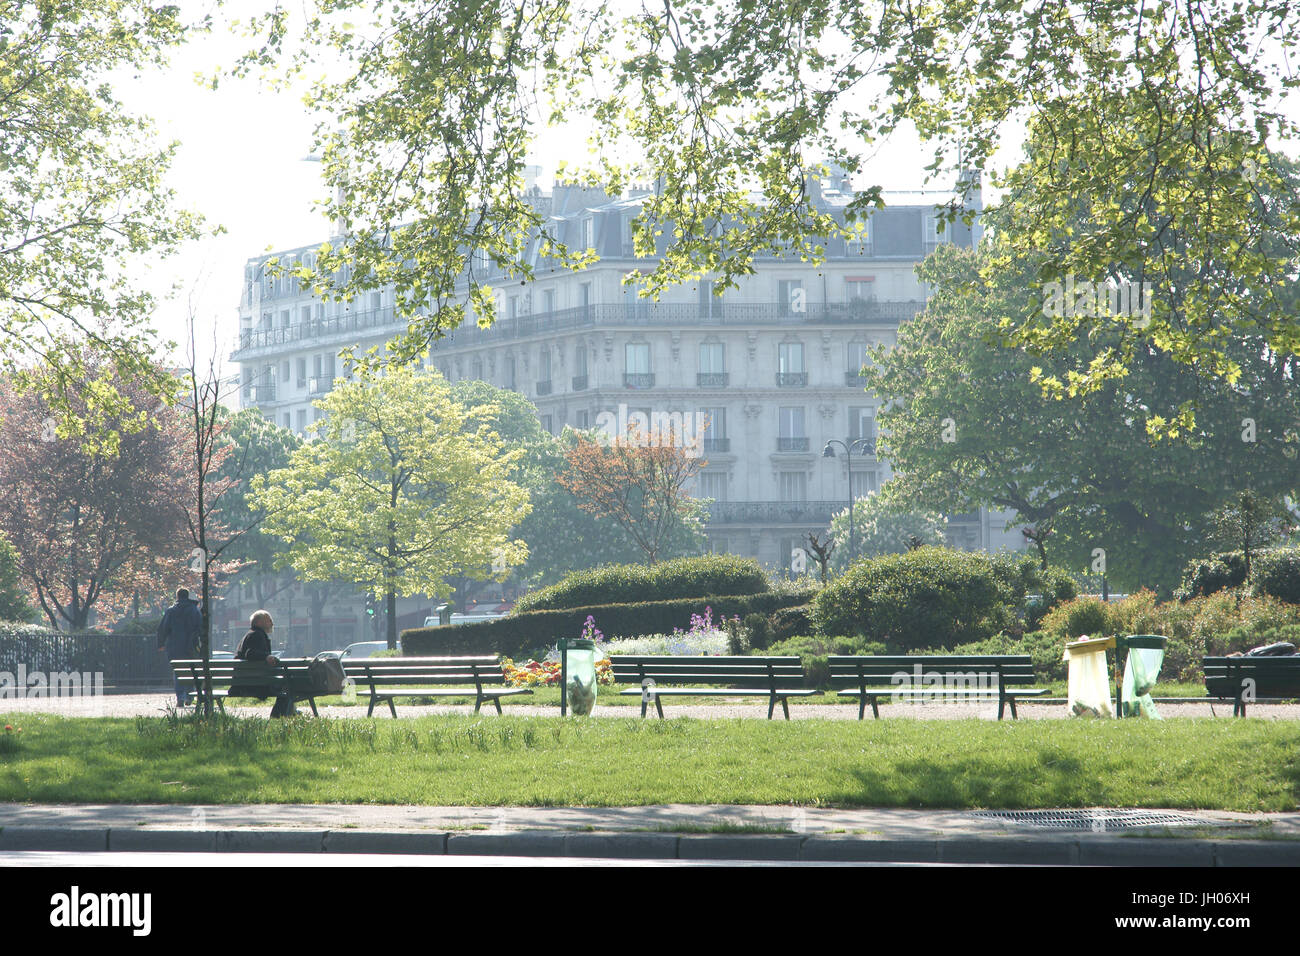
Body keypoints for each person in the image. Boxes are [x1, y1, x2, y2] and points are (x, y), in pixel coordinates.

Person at [234, 609, 295, 717]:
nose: (272, 623)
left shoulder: (250, 635)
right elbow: (250, 653)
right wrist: (266, 656)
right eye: (269, 620)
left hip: (244, 683)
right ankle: (278, 717)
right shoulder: (257, 635)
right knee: (289, 687)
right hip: (255, 685)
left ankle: (288, 714)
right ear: (259, 622)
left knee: (286, 687)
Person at [157, 587, 203, 707]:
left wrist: (161, 644)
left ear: (177, 597)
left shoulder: (171, 611)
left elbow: (163, 628)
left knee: (178, 672)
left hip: (175, 647)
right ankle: (189, 695)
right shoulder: (194, 610)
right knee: (192, 671)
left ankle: (180, 697)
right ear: (187, 596)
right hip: (191, 646)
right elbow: (200, 627)